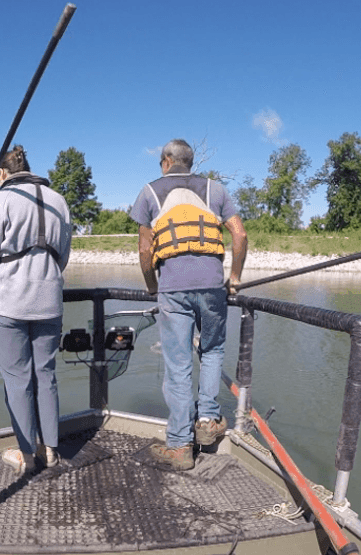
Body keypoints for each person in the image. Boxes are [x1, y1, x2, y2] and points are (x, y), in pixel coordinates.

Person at [129, 138, 247, 471]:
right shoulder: (215, 190)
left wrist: (153, 286)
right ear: (190, 162)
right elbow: (239, 234)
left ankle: (180, 445)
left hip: (173, 289)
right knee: (211, 351)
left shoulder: (150, 192)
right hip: (212, 286)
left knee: (178, 364)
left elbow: (144, 249)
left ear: (166, 160)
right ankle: (208, 423)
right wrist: (234, 278)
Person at [0, 145, 73, 473]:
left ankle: (26, 457)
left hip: (8, 304)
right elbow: (63, 258)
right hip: (49, 300)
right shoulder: (59, 201)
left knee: (17, 380)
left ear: (1, 174)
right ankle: (51, 450)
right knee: (45, 376)